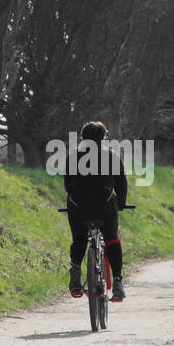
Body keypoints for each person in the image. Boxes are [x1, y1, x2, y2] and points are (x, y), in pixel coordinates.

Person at [64, 121, 127, 301]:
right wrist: (121, 202)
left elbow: (68, 185)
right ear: (104, 137)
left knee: (79, 239)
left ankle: (75, 269)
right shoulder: (112, 156)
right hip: (105, 207)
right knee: (112, 240)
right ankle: (117, 282)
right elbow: (121, 184)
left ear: (83, 137)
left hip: (79, 207)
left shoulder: (73, 155)